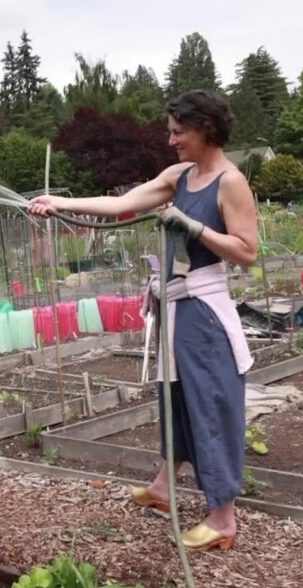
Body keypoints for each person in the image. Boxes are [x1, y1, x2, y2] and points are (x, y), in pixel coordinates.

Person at [28, 90, 259, 552]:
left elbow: (248, 252)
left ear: (205, 130)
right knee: (174, 399)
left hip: (205, 309)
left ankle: (223, 518)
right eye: (170, 132)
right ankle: (163, 486)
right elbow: (123, 205)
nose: (171, 141)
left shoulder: (230, 182)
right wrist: (61, 204)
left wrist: (193, 228)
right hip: (175, 305)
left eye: (179, 132)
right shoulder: (180, 176)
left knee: (211, 404)